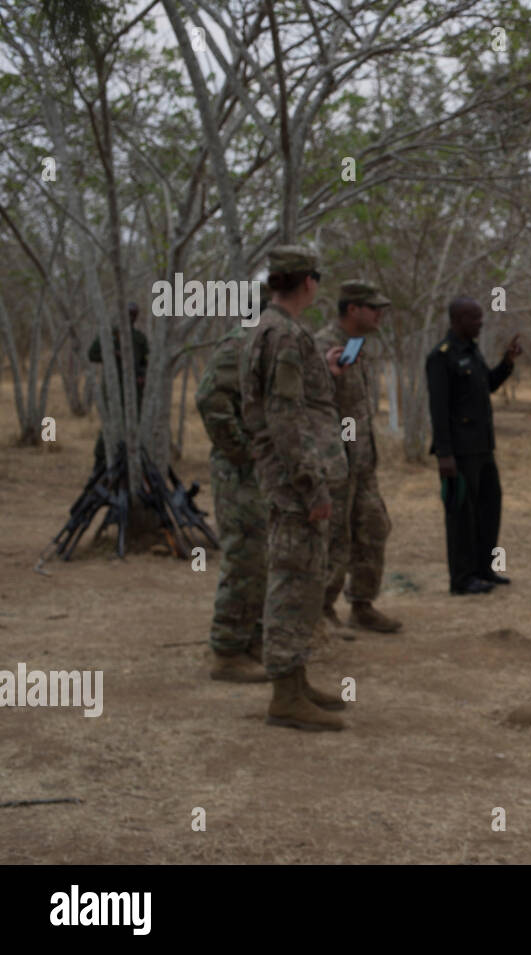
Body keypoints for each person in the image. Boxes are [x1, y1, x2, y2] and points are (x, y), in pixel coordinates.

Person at [240, 245, 349, 731]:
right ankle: (284, 695)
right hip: (293, 484)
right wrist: (311, 486)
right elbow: (284, 417)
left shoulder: (276, 331)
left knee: (304, 579)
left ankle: (296, 679)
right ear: (308, 282)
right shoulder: (282, 334)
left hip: (290, 479)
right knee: (292, 580)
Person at [316, 280, 402, 633]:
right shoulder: (322, 346)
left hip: (362, 459)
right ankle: (321, 611)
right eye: (374, 307)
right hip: (335, 462)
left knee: (373, 526)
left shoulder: (357, 346)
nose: (380, 314)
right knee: (335, 537)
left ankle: (362, 604)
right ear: (353, 309)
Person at [426, 297, 521, 593]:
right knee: (460, 516)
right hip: (459, 452)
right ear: (457, 321)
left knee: (489, 509)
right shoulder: (442, 357)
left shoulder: (472, 352)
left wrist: (507, 363)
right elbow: (438, 409)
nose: (480, 323)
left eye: (480, 317)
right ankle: (462, 579)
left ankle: (484, 569)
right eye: (474, 318)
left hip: (482, 448)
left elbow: (488, 386)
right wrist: (444, 454)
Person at [196, 324, 267, 683]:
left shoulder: (266, 344)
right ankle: (227, 652)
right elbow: (209, 397)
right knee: (244, 556)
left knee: (263, 557)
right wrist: (240, 448)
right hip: (239, 474)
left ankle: (252, 639)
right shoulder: (238, 345)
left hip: (263, 473)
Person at [89, 301, 149, 471]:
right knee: (111, 425)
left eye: (133, 314)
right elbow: (92, 354)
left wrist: (142, 377)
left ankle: (129, 463)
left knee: (133, 425)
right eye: (128, 313)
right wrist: (112, 355)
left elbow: (146, 363)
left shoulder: (139, 338)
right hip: (113, 388)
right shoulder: (110, 335)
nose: (130, 317)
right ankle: (101, 461)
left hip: (134, 391)